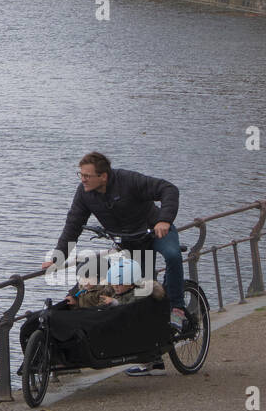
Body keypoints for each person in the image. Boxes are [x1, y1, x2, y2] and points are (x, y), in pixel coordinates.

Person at [40, 152, 188, 374]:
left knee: (173, 255)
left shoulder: (129, 181)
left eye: (87, 175)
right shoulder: (85, 194)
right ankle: (151, 357)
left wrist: (165, 219)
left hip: (156, 229)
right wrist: (57, 256)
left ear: (104, 176)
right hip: (131, 240)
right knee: (139, 295)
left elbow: (168, 189)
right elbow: (74, 224)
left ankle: (177, 307)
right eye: (81, 174)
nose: (83, 179)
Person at [65, 258, 166, 309]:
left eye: (119, 284)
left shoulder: (139, 294)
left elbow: (130, 304)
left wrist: (114, 302)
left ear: (131, 284)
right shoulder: (112, 290)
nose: (115, 286)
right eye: (114, 283)